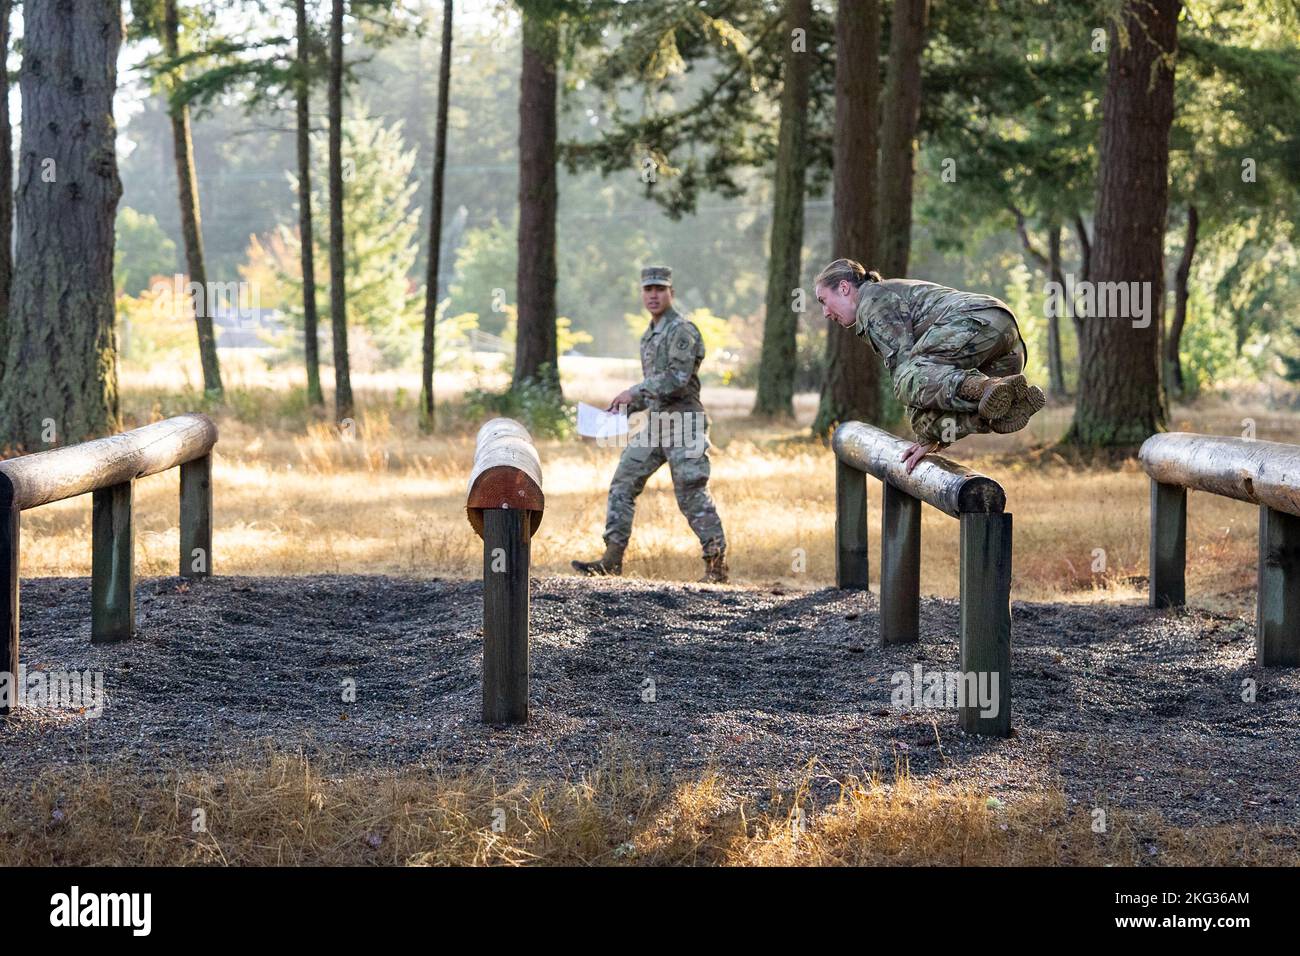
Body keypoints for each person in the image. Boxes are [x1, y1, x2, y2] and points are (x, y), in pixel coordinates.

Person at [571, 266, 729, 583]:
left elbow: (677, 380)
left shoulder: (682, 330)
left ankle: (716, 568)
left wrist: (634, 391)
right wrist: (625, 406)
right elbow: (655, 386)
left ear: (671, 292)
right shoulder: (651, 333)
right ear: (642, 293)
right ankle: (611, 561)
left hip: (685, 425)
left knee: (691, 493)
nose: (653, 295)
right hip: (657, 424)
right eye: (648, 289)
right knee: (623, 482)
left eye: (659, 289)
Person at [814, 258, 1045, 473]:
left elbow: (906, 373)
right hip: (1006, 342)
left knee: (906, 382)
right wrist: (933, 437)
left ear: (844, 288)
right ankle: (1007, 405)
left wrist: (925, 433)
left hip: (975, 322)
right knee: (976, 405)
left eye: (823, 301)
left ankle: (986, 387)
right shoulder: (881, 296)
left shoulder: (872, 300)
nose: (825, 313)